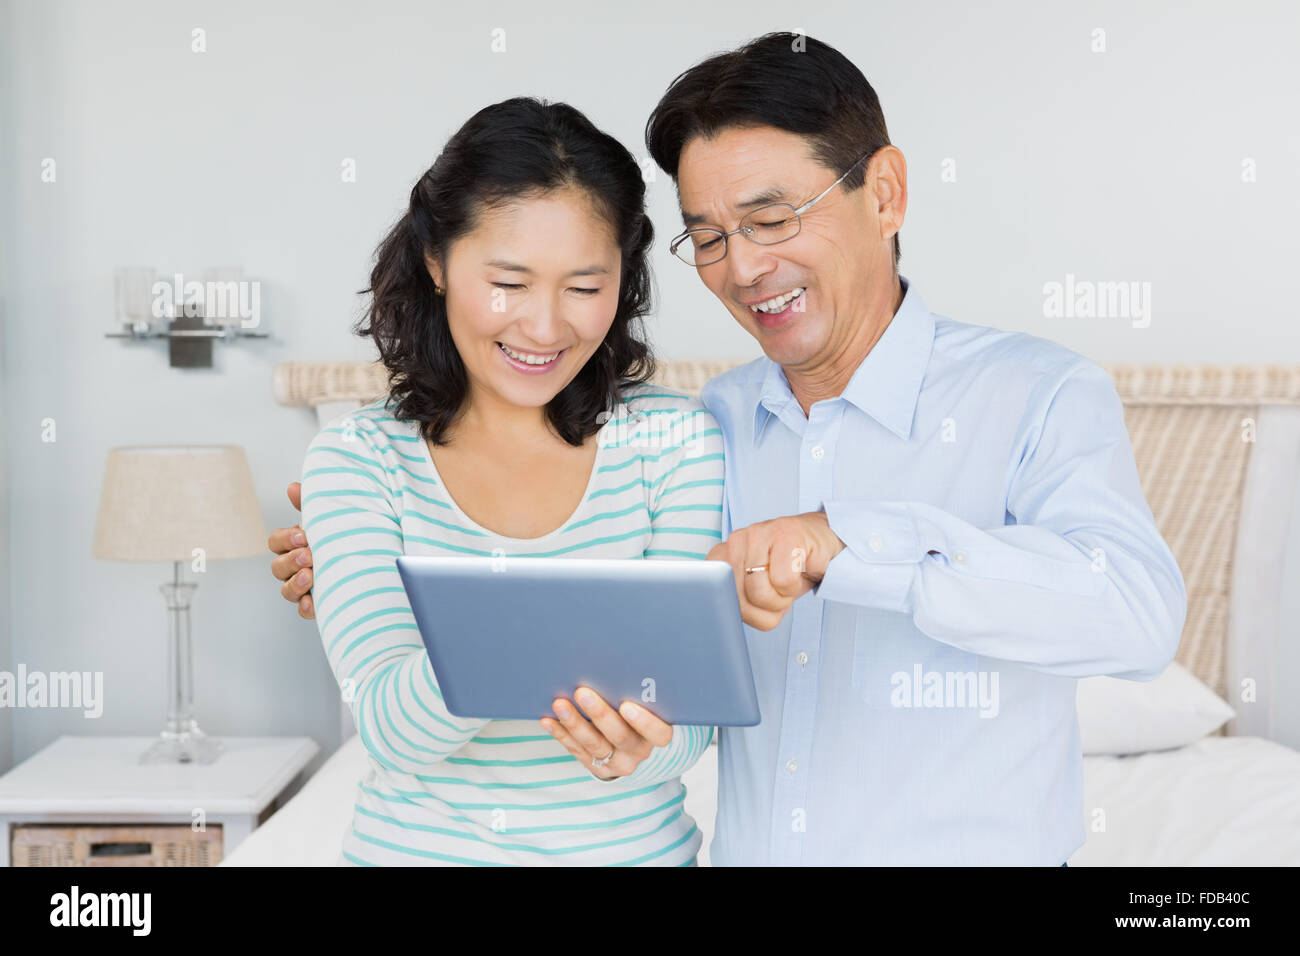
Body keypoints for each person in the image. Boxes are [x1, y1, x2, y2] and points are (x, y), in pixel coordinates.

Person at [272, 33, 1187, 865]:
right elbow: (664, 670)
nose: (743, 268)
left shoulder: (1035, 394)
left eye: (773, 219)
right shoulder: (710, 425)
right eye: (708, 237)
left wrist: (852, 539)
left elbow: (1138, 618)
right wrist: (376, 566)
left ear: (887, 193)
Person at [291, 95, 724, 865]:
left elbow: (686, 724)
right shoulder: (358, 461)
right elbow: (392, 730)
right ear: (436, 262)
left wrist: (635, 744)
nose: (546, 326)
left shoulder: (675, 440)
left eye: (585, 288)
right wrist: (571, 628)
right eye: (509, 282)